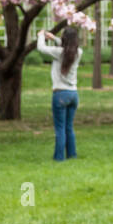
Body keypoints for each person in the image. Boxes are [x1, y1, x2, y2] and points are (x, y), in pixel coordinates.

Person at [37, 26, 82, 161]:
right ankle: (72, 155)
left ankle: (59, 158)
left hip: (60, 94)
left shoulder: (58, 53)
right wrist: (54, 38)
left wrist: (41, 36)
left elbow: (41, 48)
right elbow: (68, 46)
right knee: (69, 127)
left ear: (64, 39)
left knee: (60, 128)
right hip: (73, 94)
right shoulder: (79, 52)